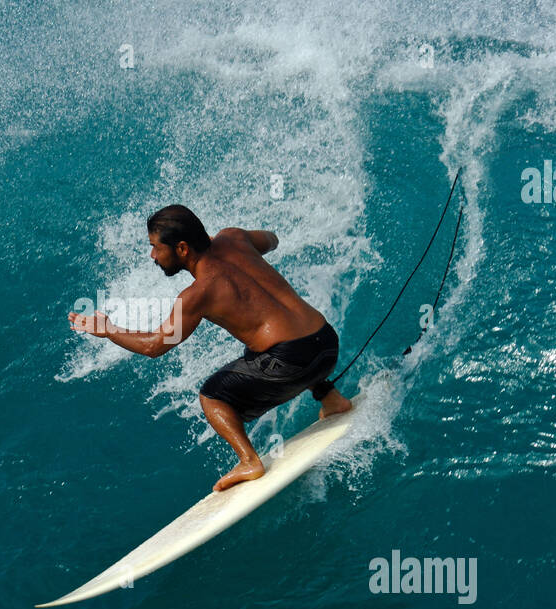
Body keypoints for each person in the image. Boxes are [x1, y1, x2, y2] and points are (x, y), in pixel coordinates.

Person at [69, 204, 352, 491]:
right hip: (326, 342)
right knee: (259, 351)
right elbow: (272, 239)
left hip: (293, 363)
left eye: (156, 247)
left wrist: (108, 329)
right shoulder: (235, 237)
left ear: (182, 248)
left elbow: (155, 346)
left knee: (213, 396)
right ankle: (331, 399)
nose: (152, 255)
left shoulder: (198, 294)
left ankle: (249, 461)